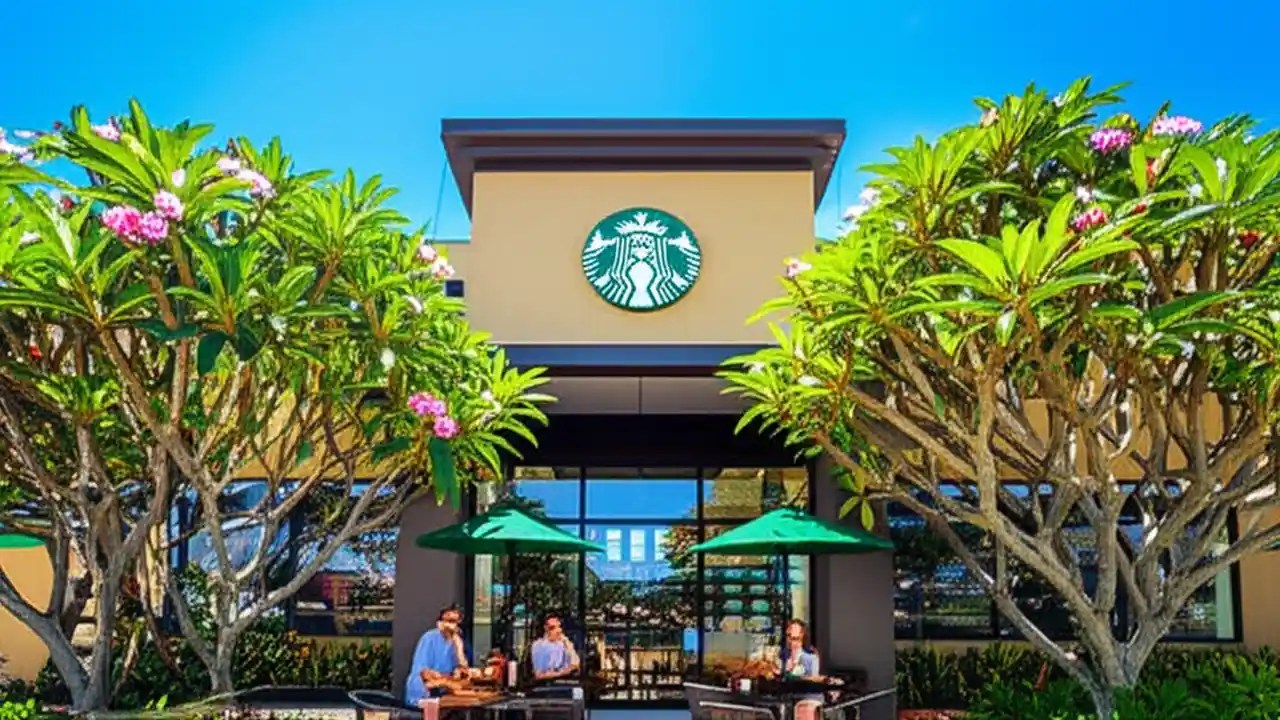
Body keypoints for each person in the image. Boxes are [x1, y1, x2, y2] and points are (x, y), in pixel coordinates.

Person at [405, 605, 471, 708]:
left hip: (443, 694)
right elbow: (425, 674)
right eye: (449, 620)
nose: (452, 625)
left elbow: (463, 672)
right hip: (422, 693)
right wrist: (447, 681)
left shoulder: (456, 642)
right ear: (439, 623)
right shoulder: (429, 638)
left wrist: (459, 647)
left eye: (456, 622)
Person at [779, 619, 823, 720]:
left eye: (795, 638)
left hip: (805, 697)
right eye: (788, 637)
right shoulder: (782, 655)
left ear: (802, 637)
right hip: (787, 698)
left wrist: (797, 675)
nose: (791, 642)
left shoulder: (810, 656)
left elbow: (814, 678)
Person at [530, 613, 580, 681]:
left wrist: (567, 642)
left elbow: (575, 664)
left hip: (565, 682)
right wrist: (561, 673)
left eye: (559, 627)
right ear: (546, 629)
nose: (558, 630)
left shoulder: (563, 644)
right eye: (552, 628)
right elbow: (539, 675)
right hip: (547, 684)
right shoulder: (539, 645)